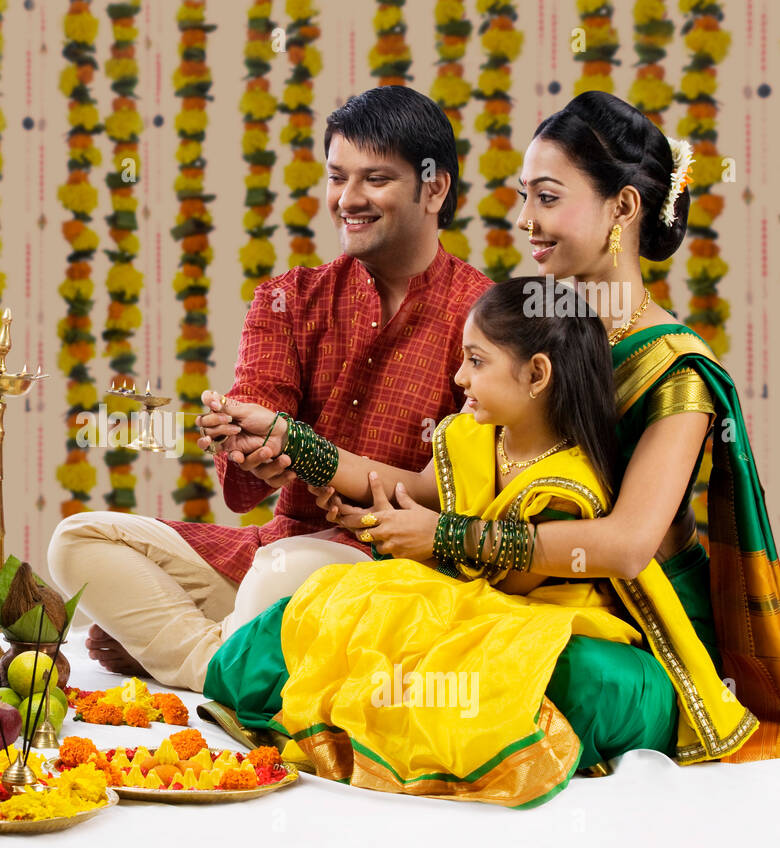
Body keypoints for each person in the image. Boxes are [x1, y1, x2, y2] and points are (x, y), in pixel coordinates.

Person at [314, 91, 779, 762]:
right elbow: (432, 485)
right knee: (355, 607)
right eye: (523, 195)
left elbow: (622, 547)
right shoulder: (530, 333)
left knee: (538, 676)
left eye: (548, 197)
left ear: (623, 207)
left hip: (633, 628)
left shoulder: (676, 370)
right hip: (525, 602)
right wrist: (296, 448)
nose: (524, 219)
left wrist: (444, 536)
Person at [204, 277, 754, 808]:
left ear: (537, 374)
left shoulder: (571, 477)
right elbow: (406, 486)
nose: (459, 376)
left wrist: (432, 537)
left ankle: (447, 743)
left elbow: (512, 583)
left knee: (560, 673)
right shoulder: (474, 437)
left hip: (550, 624)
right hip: (481, 609)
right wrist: (289, 438)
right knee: (334, 596)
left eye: (476, 360)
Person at [46, 86, 492, 691]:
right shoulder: (289, 299)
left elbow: (473, 489)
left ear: (434, 187)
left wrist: (325, 467)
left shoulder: (485, 318)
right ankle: (226, 658)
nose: (348, 200)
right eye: (337, 177)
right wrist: (250, 444)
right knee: (79, 541)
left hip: (392, 574)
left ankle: (206, 651)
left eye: (375, 179)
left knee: (285, 573)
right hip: (271, 550)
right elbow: (248, 473)